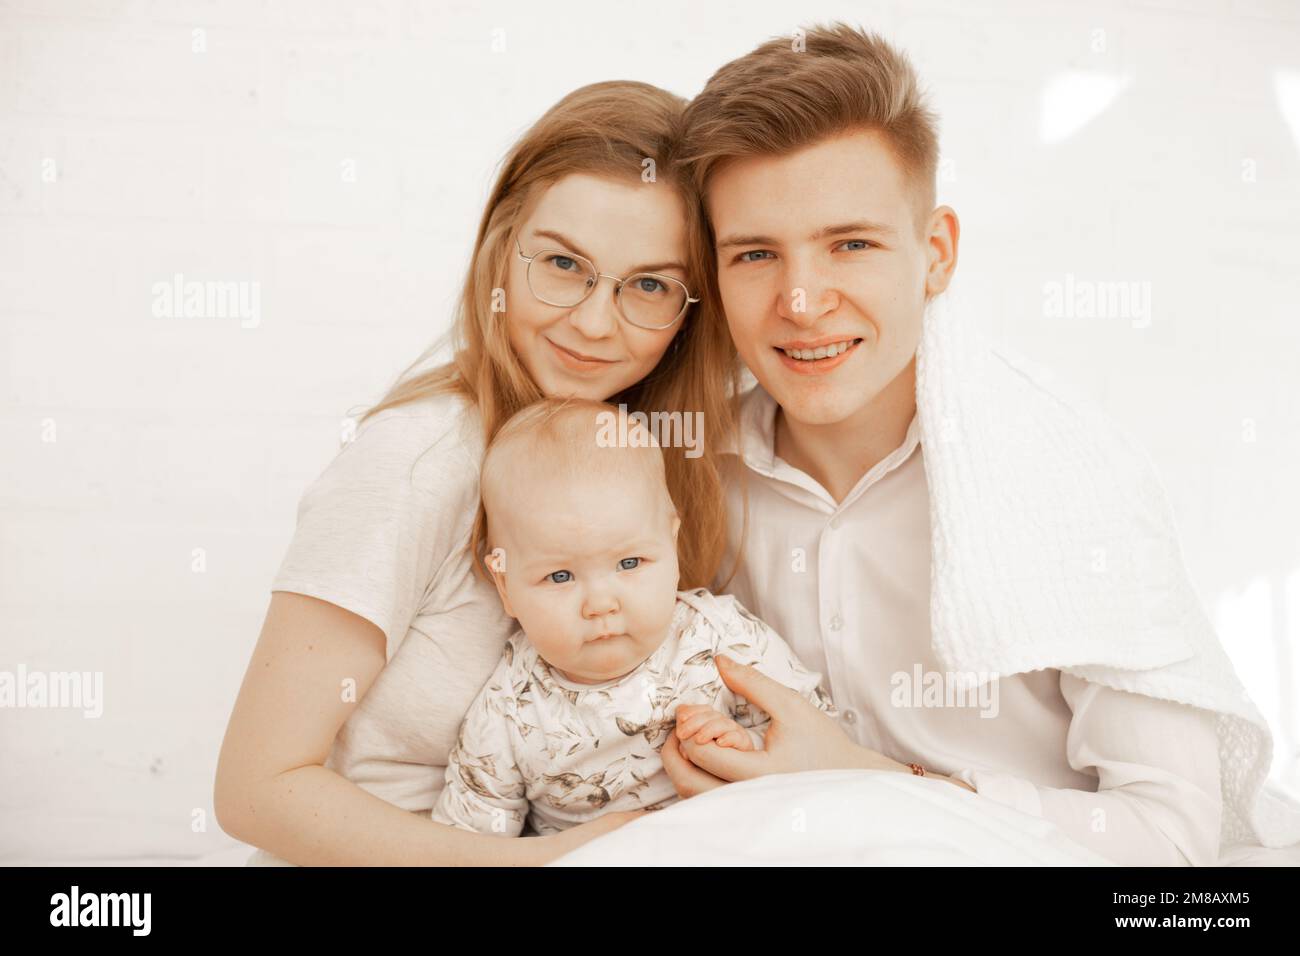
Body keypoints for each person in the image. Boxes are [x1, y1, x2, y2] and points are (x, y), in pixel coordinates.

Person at [655, 22, 1300, 866]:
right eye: (755, 254)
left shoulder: (1068, 475)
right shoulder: (683, 476)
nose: (802, 301)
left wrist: (865, 782)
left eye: (851, 243)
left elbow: (1171, 839)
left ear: (936, 255)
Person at [213, 80, 743, 866]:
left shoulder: (655, 459)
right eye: (564, 264)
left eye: (650, 285)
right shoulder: (417, 462)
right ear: (501, 246)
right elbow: (255, 791)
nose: (596, 322)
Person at [430, 398, 835, 836]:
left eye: (630, 563)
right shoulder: (507, 709)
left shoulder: (721, 638)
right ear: (505, 585)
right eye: (560, 576)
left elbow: (819, 742)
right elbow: (471, 842)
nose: (601, 604)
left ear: (671, 544)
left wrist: (747, 747)